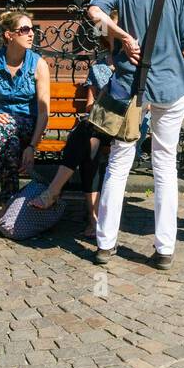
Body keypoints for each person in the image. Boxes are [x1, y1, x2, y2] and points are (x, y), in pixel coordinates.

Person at [89, 0, 184, 267]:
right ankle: (165, 248)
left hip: (131, 85)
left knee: (119, 162)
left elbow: (93, 15)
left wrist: (122, 35)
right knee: (165, 164)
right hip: (171, 84)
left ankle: (106, 242)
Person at [31, 53, 125, 239]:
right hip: (101, 124)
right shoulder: (98, 67)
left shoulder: (133, 64)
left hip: (125, 127)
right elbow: (89, 105)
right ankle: (93, 219)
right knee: (90, 143)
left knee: (87, 136)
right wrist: (103, 99)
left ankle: (54, 191)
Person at [0, 12, 50, 223]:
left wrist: (32, 146)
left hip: (27, 124)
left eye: (32, 29)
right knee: (8, 138)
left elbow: (43, 112)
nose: (31, 34)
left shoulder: (39, 64)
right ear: (9, 35)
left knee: (8, 130)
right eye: (24, 30)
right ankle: (7, 204)